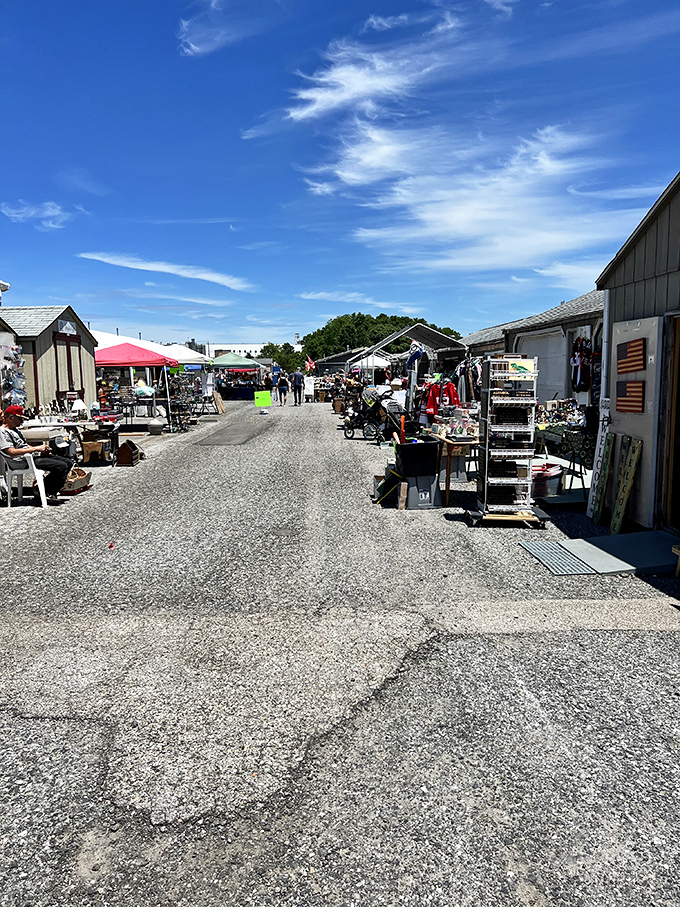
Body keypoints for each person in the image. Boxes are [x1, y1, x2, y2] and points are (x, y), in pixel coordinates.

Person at [0, 405, 73, 505]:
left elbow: (24, 446)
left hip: (30, 456)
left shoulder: (15, 430)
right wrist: (36, 448)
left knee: (68, 462)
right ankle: (45, 491)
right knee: (61, 466)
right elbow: (11, 452)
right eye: (20, 419)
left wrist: (40, 451)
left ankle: (45, 489)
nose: (22, 422)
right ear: (11, 417)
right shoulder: (2, 432)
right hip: (21, 461)